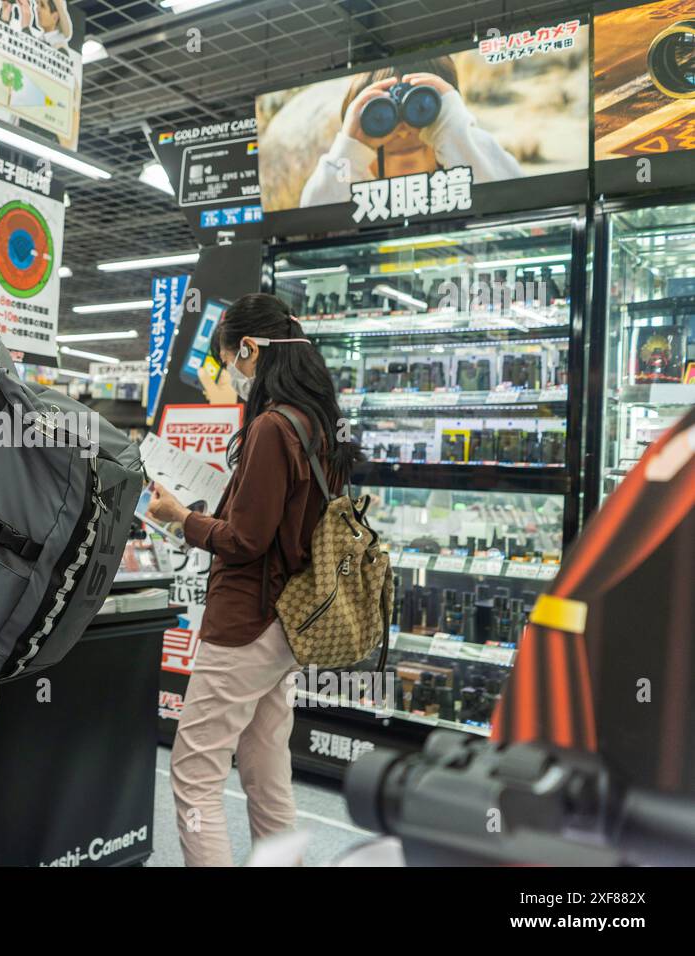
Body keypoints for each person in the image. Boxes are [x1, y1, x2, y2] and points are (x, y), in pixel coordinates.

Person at [145, 293, 362, 867]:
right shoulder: (322, 425)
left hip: (244, 623)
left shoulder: (271, 427)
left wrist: (182, 518)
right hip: (287, 623)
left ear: (250, 349)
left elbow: (246, 540)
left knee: (194, 775)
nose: (233, 376)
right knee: (268, 775)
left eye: (230, 361)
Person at [300, 56, 522, 206]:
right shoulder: (348, 186)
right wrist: (349, 151)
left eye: (422, 110)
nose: (404, 132)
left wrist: (455, 130)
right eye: (381, 116)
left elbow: (515, 199)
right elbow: (312, 223)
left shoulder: (470, 170)